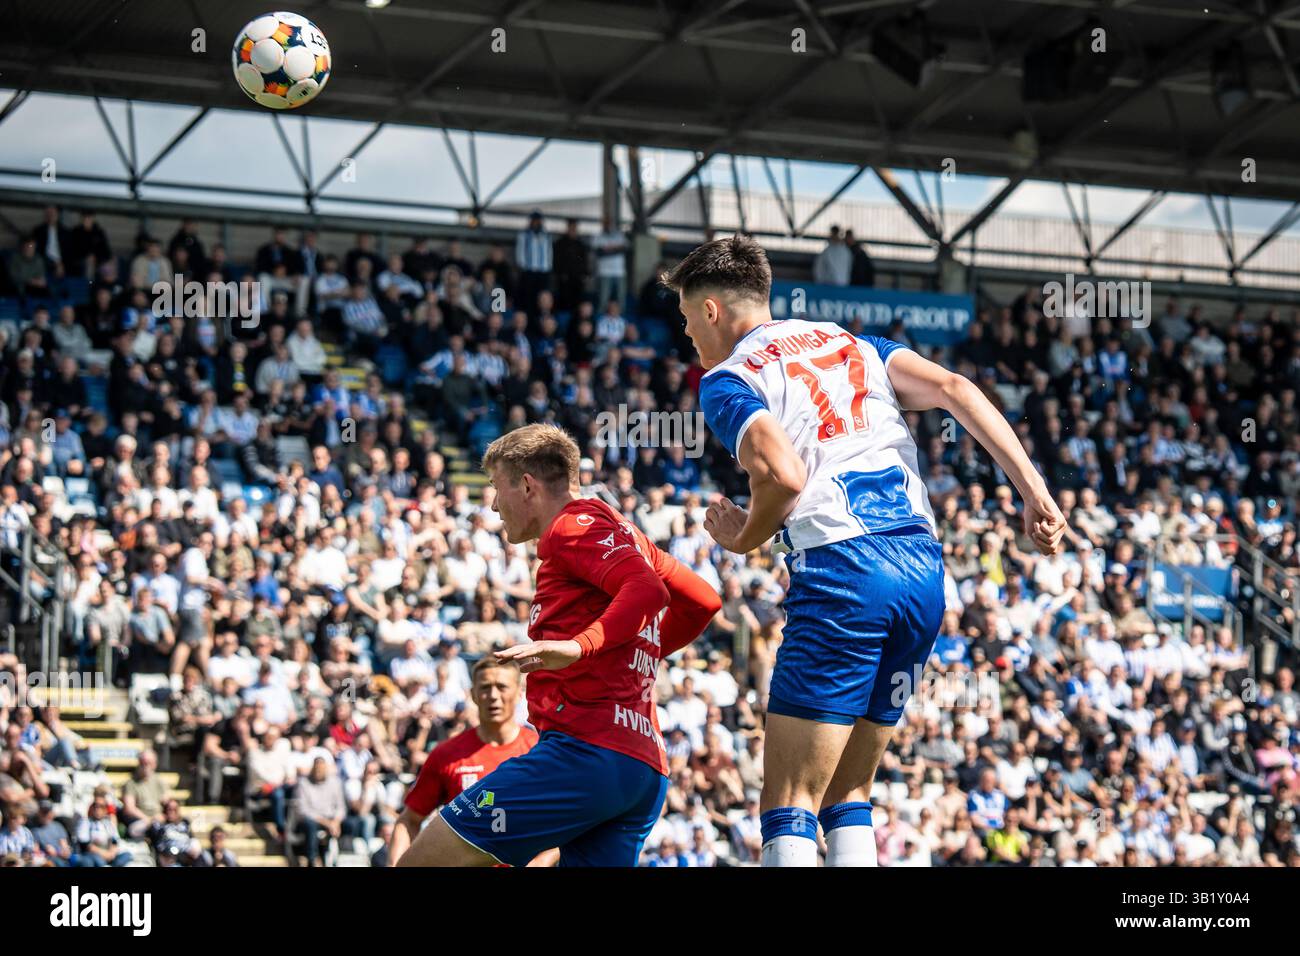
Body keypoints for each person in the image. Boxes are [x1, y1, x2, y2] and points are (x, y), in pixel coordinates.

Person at [664, 234, 1067, 867]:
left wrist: (744, 535)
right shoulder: (851, 343)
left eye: (688, 323)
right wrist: (1035, 492)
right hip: (922, 575)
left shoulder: (730, 379)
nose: (690, 337)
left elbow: (785, 476)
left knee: (789, 801)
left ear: (712, 311)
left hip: (844, 571)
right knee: (848, 794)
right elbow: (957, 389)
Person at [397, 424, 721, 867]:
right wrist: (632, 647)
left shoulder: (573, 527)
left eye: (496, 488)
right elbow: (703, 601)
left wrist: (581, 646)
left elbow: (648, 591)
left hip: (583, 753)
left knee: (422, 863)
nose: (493, 504)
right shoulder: (627, 533)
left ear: (527, 485)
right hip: (641, 767)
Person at [389, 657, 547, 865]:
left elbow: (570, 821)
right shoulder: (446, 754)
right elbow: (409, 820)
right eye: (485, 688)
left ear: (519, 692)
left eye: (502, 687)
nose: (493, 696)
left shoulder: (541, 751)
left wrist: (540, 862)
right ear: (473, 695)